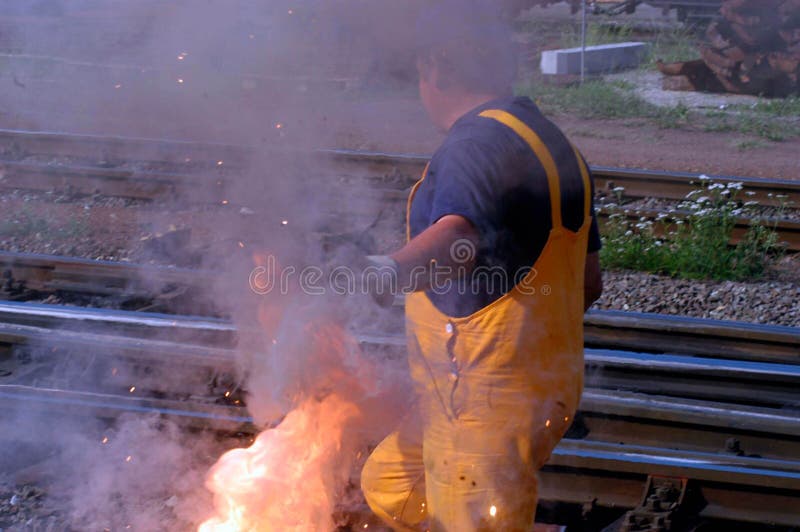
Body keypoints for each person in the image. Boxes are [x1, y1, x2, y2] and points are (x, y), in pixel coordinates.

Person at [359, 2, 603, 530]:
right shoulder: (550, 143)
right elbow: (588, 281)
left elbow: (457, 239)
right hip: (533, 386)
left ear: (437, 68)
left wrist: (377, 274)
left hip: (480, 395)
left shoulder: (475, 143)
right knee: (393, 487)